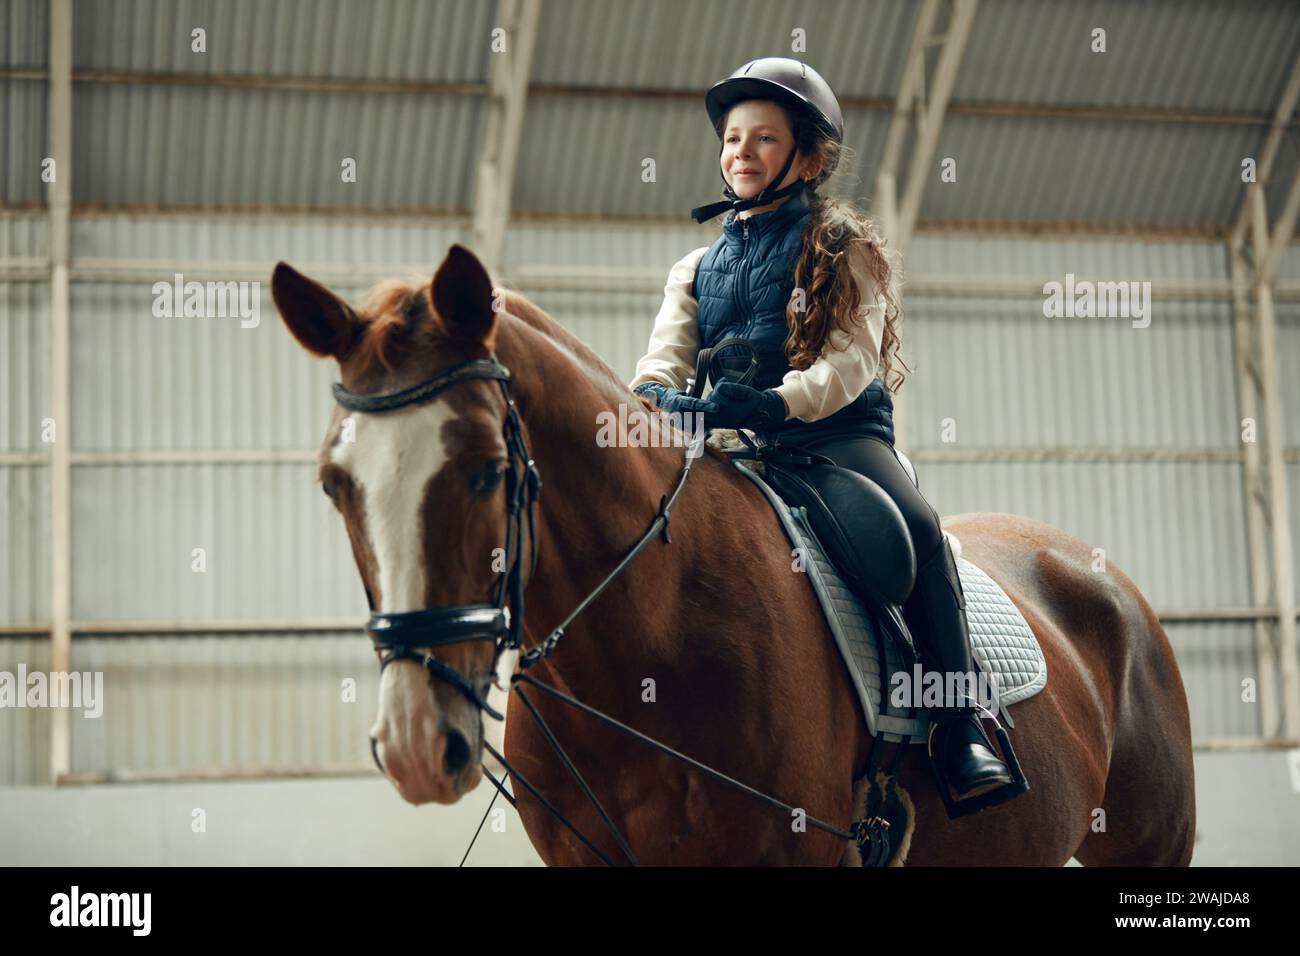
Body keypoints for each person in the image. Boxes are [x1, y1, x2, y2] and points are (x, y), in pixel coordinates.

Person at [629, 57, 1019, 811]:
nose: (740, 151)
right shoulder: (694, 266)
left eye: (763, 139)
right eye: (733, 137)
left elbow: (849, 362)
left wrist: (773, 404)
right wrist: (654, 395)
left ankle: (958, 718)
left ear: (807, 159)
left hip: (835, 438)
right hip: (734, 445)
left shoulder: (849, 248)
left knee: (920, 530)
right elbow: (665, 356)